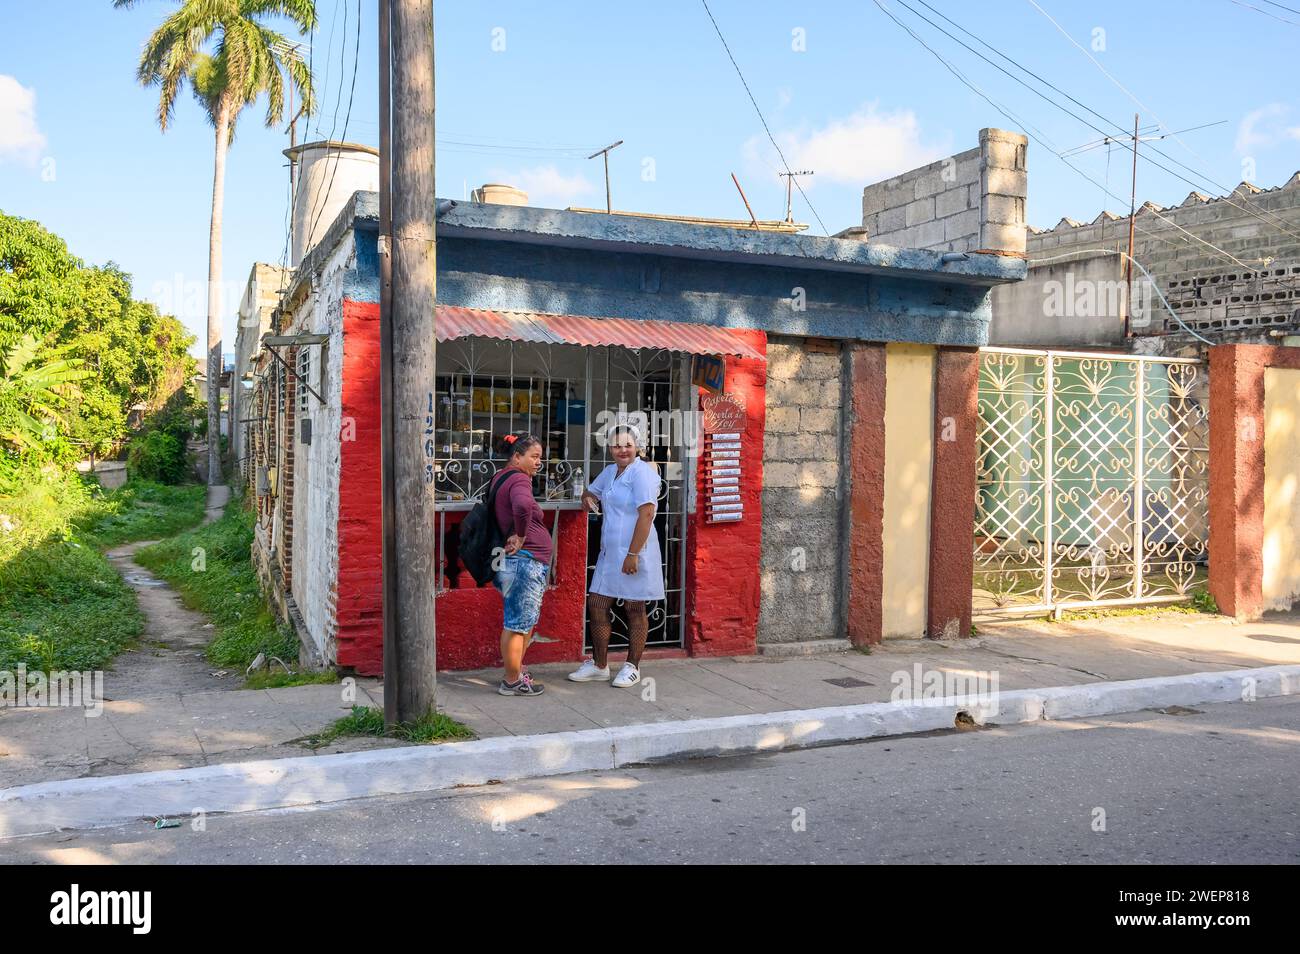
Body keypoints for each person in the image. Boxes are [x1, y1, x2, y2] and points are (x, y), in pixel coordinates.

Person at [569, 424, 664, 688]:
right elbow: (590, 492)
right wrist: (587, 499)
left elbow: (646, 514)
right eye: (616, 445)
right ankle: (600, 665)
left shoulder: (642, 473)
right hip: (610, 553)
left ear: (637, 447)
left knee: (634, 608)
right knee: (598, 604)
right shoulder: (610, 472)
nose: (622, 450)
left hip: (636, 551)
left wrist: (633, 554)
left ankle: (632, 666)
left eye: (627, 445)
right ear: (609, 448)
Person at [489, 433, 551, 696]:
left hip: (517, 563)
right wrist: (523, 536)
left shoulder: (500, 477)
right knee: (517, 624)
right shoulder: (518, 479)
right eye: (534, 457)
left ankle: (515, 672)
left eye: (540, 457)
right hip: (523, 563)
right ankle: (512, 681)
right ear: (517, 457)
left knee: (522, 622)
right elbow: (524, 507)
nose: (539, 462)